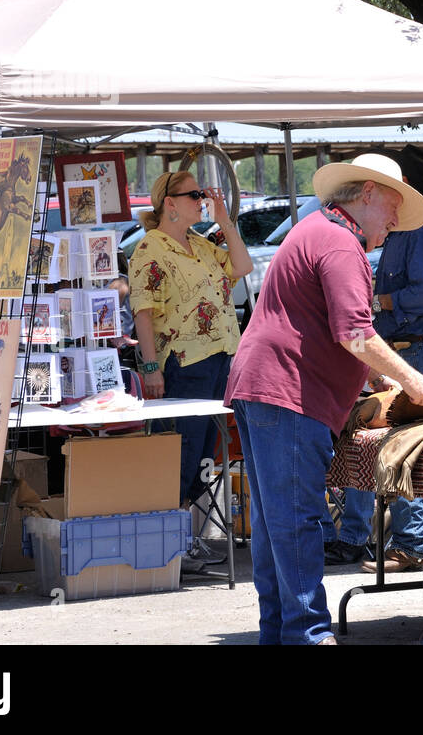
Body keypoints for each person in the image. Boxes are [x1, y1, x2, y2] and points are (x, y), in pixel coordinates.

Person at [225, 153, 423, 645]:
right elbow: (355, 333)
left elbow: (325, 328)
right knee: (296, 521)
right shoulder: (342, 244)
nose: (394, 220)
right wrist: (411, 381)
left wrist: (373, 379)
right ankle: (309, 635)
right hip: (288, 394)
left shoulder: (317, 229)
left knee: (277, 523)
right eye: (391, 205)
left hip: (267, 388)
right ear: (366, 193)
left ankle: (281, 632)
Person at [323, 146, 423, 573]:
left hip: (414, 348)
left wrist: (379, 300)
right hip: (400, 347)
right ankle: (359, 537)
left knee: (401, 447)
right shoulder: (405, 232)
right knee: (377, 441)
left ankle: (411, 543)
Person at [128, 171, 253, 571]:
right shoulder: (150, 249)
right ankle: (170, 546)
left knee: (204, 456)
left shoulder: (200, 245)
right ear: (170, 203)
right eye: (195, 195)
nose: (202, 200)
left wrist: (226, 222)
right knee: (181, 455)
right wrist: (150, 368)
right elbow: (143, 314)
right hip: (183, 363)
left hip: (218, 358)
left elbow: (244, 265)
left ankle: (180, 540)